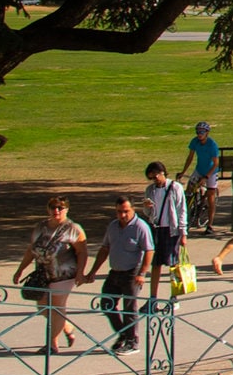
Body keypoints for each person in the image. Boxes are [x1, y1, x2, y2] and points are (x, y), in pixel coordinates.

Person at [12, 196, 88, 354]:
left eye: (60, 208)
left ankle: (52, 344)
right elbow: (31, 250)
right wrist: (20, 269)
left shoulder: (73, 228)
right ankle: (67, 326)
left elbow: (82, 252)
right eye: (53, 207)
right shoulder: (41, 226)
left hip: (64, 274)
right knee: (42, 306)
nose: (56, 211)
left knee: (57, 307)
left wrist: (80, 273)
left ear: (67, 209)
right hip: (43, 274)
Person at [92, 196, 155, 352]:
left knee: (129, 308)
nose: (122, 215)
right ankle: (123, 334)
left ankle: (132, 342)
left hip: (132, 273)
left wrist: (142, 273)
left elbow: (149, 250)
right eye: (119, 212)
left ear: (133, 209)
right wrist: (92, 272)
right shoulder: (113, 226)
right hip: (115, 272)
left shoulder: (140, 227)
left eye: (126, 211)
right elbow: (105, 249)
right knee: (107, 304)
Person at [141, 162, 187, 301]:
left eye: (155, 177)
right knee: (156, 264)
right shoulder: (150, 190)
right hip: (156, 229)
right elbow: (147, 213)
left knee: (173, 265)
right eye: (151, 178)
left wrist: (183, 232)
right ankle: (153, 297)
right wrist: (146, 207)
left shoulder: (175, 187)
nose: (154, 180)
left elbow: (181, 210)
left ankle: (174, 297)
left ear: (162, 173)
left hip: (171, 230)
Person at [183, 121, 221, 238]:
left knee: (210, 197)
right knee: (189, 191)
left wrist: (207, 177)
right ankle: (188, 214)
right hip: (199, 169)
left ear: (207, 133)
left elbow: (215, 163)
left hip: (211, 172)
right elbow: (190, 157)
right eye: (198, 132)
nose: (199, 134)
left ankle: (209, 225)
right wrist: (183, 171)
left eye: (202, 132)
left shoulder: (212, 145)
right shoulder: (195, 142)